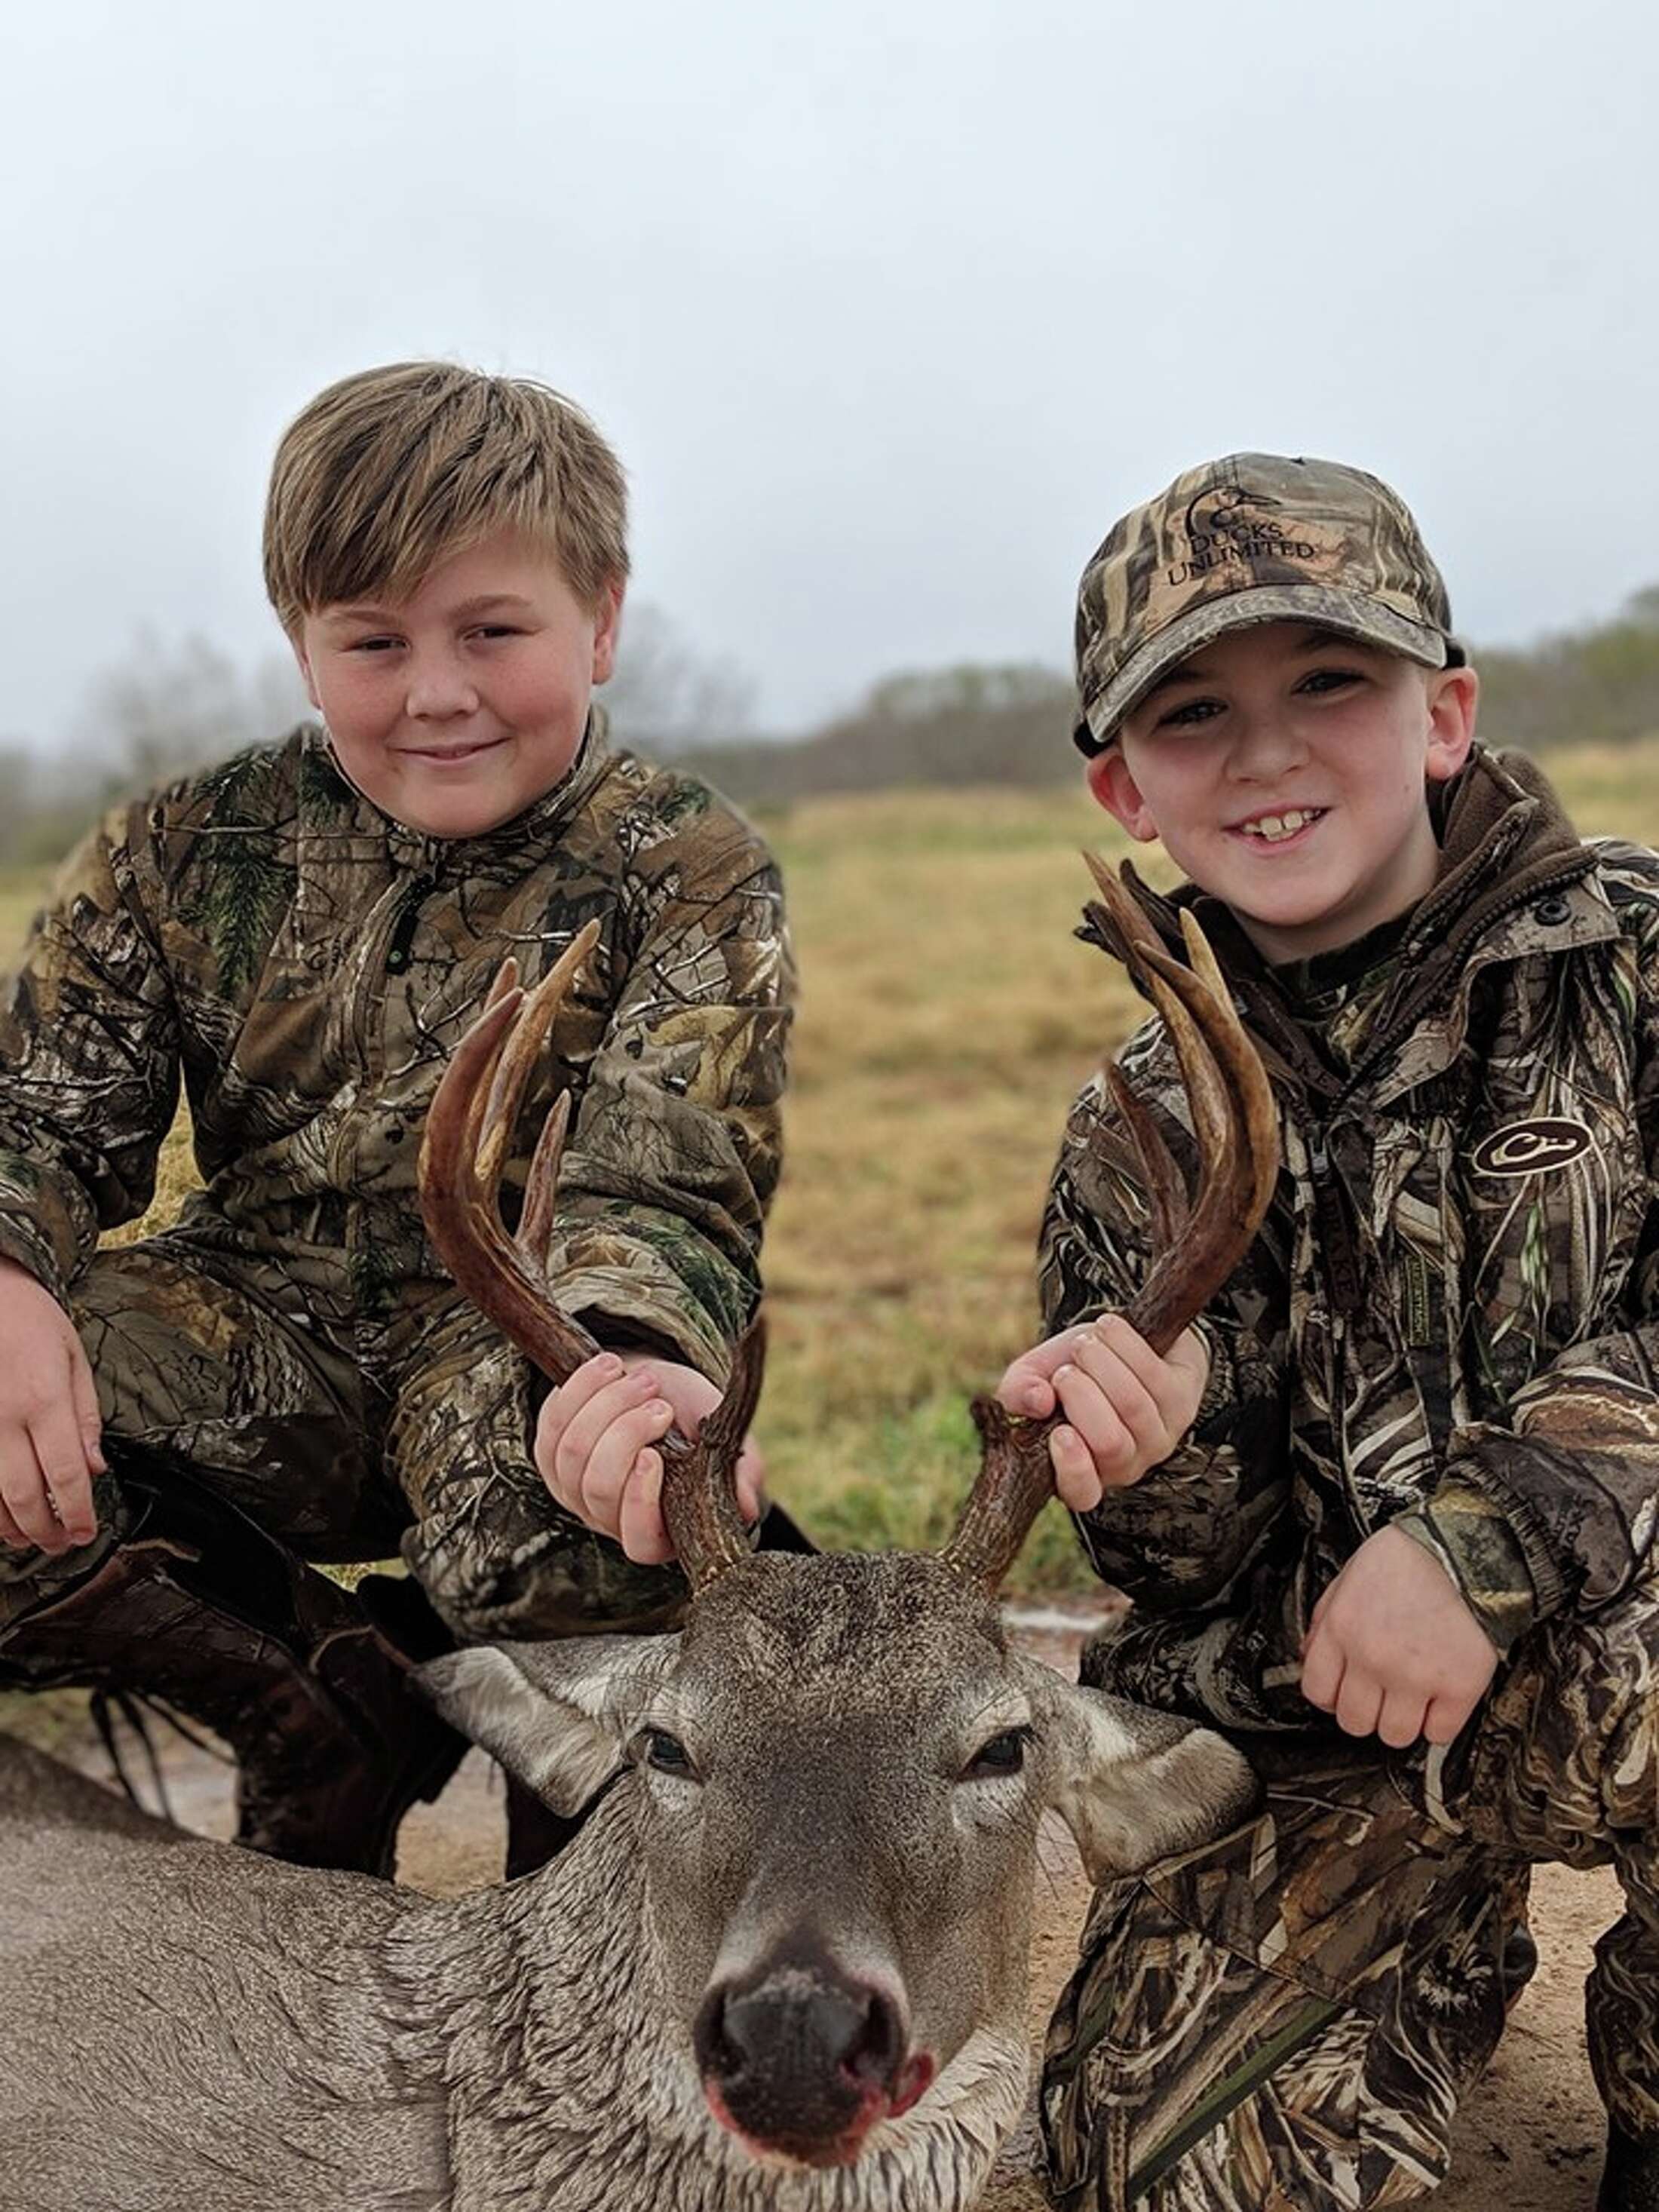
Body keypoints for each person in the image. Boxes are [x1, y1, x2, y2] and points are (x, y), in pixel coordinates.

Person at [0, 360, 793, 1876]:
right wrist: (6, 1270)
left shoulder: (688, 866)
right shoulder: (186, 846)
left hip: (522, 1335)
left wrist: (623, 1365)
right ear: (305, 651)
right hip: (250, 1333)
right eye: (373, 642)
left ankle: (582, 1889)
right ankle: (320, 1707)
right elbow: (39, 1113)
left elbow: (661, 1183)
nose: (437, 692)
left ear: (602, 620)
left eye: (493, 632)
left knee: (604, 1491)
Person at [995, 453, 1659, 2210]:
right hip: (1326, 1738)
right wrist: (1167, 1445)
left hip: (1625, 1650)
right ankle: (1418, 1961)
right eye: (1195, 713)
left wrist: (1493, 1525)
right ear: (1125, 786)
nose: (1268, 750)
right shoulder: (1133, 1127)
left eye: (1328, 686)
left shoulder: (1639, 967)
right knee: (1150, 2174)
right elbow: (1183, 1579)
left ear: (1441, 714)